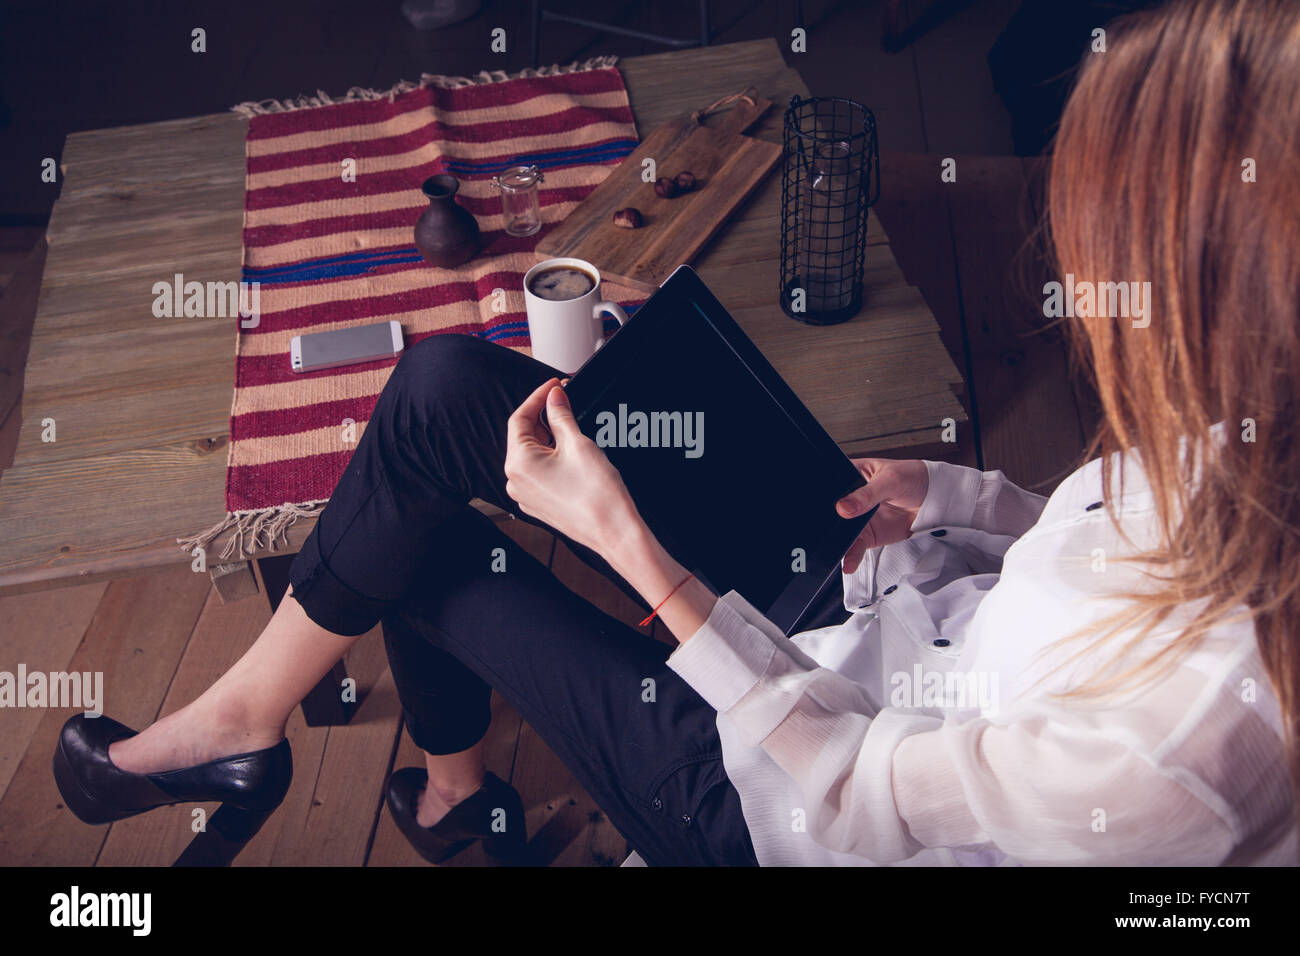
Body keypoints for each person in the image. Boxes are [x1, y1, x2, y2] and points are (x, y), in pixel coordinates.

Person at [53, 0, 1298, 866]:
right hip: (878, 595)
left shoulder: (1187, 749)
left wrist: (640, 557)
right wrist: (947, 495)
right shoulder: (1244, 443)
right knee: (444, 388)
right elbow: (1083, 542)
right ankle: (390, 770)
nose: (1083, 286)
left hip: (774, 793)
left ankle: (297, 751)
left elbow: (857, 793)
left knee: (418, 538)